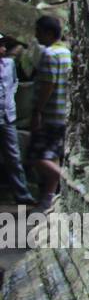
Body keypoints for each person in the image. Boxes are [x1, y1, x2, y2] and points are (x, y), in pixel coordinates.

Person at [28, 15, 71, 210]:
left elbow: (47, 85)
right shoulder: (66, 53)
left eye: (38, 31)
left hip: (51, 114)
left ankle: (67, 180)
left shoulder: (49, 55)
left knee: (37, 156)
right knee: (52, 155)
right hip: (65, 114)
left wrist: (37, 111)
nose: (36, 35)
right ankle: (47, 199)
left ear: (48, 33)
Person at [0, 34, 36, 205]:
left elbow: (14, 83)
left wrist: (9, 101)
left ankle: (22, 195)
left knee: (14, 156)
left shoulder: (9, 64)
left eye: (4, 45)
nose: (4, 49)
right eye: (1, 46)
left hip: (7, 117)